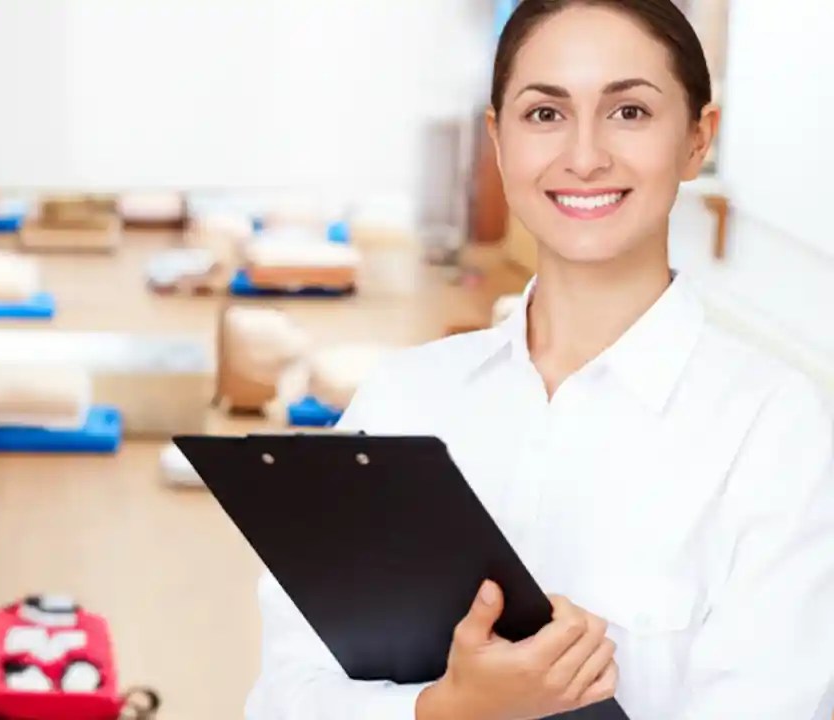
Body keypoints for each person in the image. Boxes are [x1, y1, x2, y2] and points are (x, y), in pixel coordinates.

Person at [244, 1, 834, 718]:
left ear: (697, 139)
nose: (584, 157)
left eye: (629, 112)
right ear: (499, 140)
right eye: (545, 114)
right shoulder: (404, 398)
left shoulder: (775, 431)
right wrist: (448, 709)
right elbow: (284, 697)